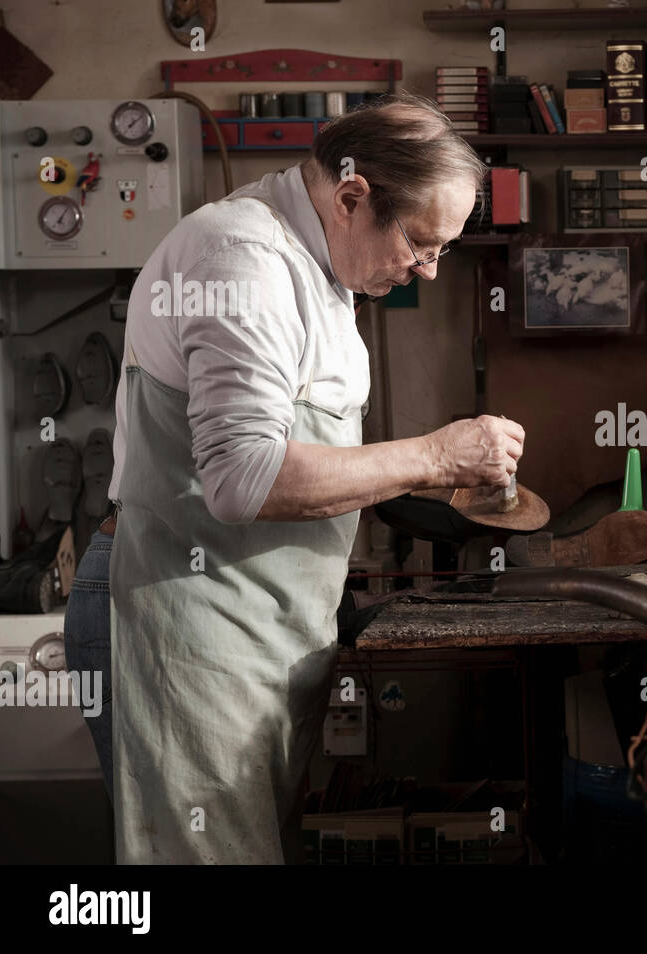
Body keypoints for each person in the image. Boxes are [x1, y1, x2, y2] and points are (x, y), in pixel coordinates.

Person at [61, 92, 524, 863]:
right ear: (351, 196)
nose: (430, 270)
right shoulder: (240, 260)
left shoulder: (321, 273)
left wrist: (434, 477)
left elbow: (299, 453)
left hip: (257, 632)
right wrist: (436, 457)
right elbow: (244, 478)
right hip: (184, 620)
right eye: (422, 241)